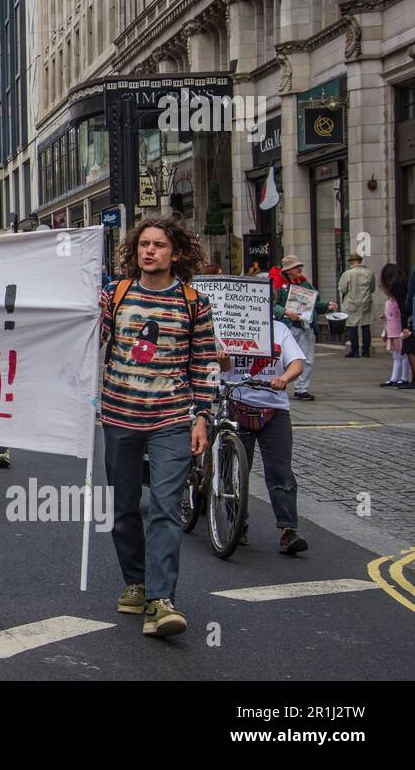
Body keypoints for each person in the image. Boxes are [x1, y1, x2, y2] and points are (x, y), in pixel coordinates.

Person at [100, 217, 218, 639]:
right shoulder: (115, 295)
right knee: (123, 506)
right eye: (144, 244)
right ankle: (135, 581)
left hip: (171, 420)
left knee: (167, 508)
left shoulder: (194, 303)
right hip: (118, 418)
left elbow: (204, 364)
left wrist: (202, 415)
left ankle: (161, 599)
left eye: (159, 245)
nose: (150, 251)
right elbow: (85, 339)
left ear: (176, 253)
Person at [216, 320, 309, 555]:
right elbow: (223, 367)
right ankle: (237, 523)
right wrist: (223, 357)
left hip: (274, 407)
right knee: (234, 470)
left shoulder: (280, 329)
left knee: (280, 471)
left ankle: (288, 530)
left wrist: (284, 378)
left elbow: (297, 363)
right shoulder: (229, 324)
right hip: (237, 402)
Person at [270, 255, 336, 401]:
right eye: (295, 267)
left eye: (300, 266)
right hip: (287, 327)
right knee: (282, 359)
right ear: (288, 270)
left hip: (305, 326)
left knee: (307, 359)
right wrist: (286, 312)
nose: (299, 268)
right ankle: (278, 383)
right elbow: (271, 305)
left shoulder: (305, 284)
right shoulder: (278, 285)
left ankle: (301, 389)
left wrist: (327, 306)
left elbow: (314, 303)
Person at [380, 264, 412, 387]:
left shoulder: (397, 289)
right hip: (393, 330)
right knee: (396, 356)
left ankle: (403, 377)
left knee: (402, 355)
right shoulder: (390, 299)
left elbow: (402, 311)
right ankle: (394, 378)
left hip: (398, 329)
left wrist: (404, 327)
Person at [338, 253, 375, 358]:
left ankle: (354, 351)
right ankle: (366, 351)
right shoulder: (369, 273)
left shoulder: (347, 274)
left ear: (351, 262)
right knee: (365, 327)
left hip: (351, 302)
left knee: (352, 327)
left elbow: (342, 289)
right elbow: (372, 288)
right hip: (365, 302)